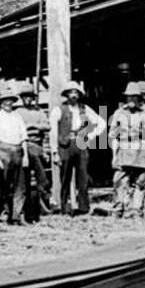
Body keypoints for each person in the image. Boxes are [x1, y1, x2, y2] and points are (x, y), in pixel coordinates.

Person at [48, 81, 105, 215]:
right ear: (66, 95)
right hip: (65, 145)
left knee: (83, 177)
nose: (73, 95)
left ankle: (83, 208)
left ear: (79, 95)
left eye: (76, 93)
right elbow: (53, 132)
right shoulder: (58, 110)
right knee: (65, 177)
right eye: (71, 92)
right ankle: (64, 207)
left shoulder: (84, 109)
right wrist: (54, 151)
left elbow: (101, 123)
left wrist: (90, 136)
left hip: (81, 143)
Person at [108, 81, 145, 217]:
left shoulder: (144, 114)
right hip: (123, 151)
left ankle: (137, 210)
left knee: (140, 182)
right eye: (129, 97)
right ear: (126, 98)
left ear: (140, 98)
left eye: (135, 97)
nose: (132, 100)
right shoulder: (118, 113)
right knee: (119, 181)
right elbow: (113, 136)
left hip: (140, 152)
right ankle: (118, 208)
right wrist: (114, 156)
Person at [0, 85, 29, 225]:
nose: (8, 103)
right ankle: (6, 214)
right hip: (3, 150)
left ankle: (18, 215)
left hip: (17, 151)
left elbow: (24, 137)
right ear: (0, 102)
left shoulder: (18, 117)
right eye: (5, 100)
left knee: (20, 185)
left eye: (10, 100)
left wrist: (25, 157)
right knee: (5, 186)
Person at [16, 82, 52, 216]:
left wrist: (31, 126)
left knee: (43, 180)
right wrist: (34, 126)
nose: (28, 99)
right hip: (23, 147)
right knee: (23, 181)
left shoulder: (39, 112)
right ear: (22, 98)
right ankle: (25, 210)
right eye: (25, 97)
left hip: (38, 146)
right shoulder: (17, 113)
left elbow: (47, 127)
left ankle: (44, 208)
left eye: (30, 97)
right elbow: (18, 130)